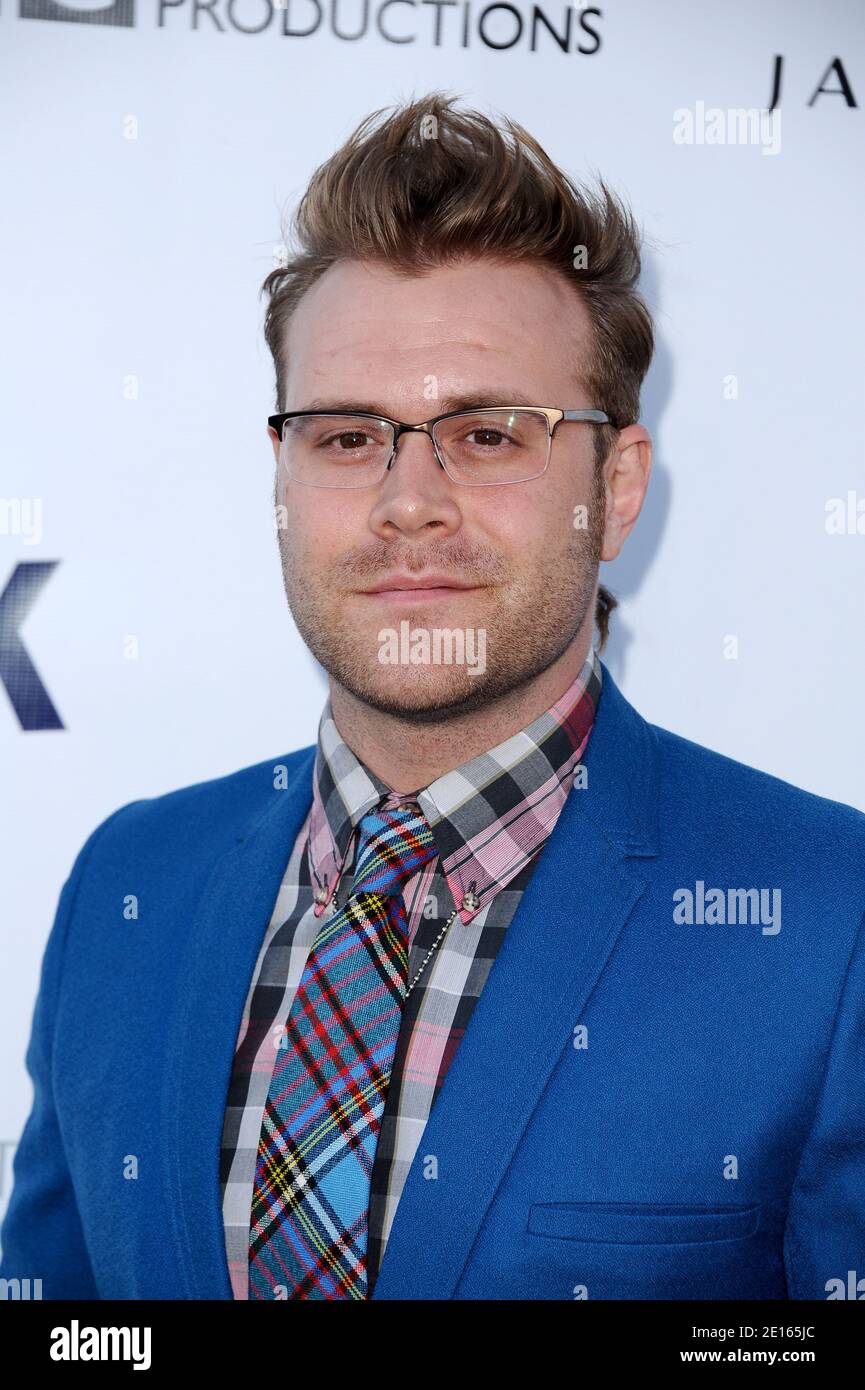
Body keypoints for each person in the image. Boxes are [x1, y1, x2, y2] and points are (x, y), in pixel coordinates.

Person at [2, 91, 863, 1302]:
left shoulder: (830, 921)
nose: (412, 500)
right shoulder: (130, 880)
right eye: (349, 437)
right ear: (285, 478)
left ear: (614, 489)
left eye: (490, 433)